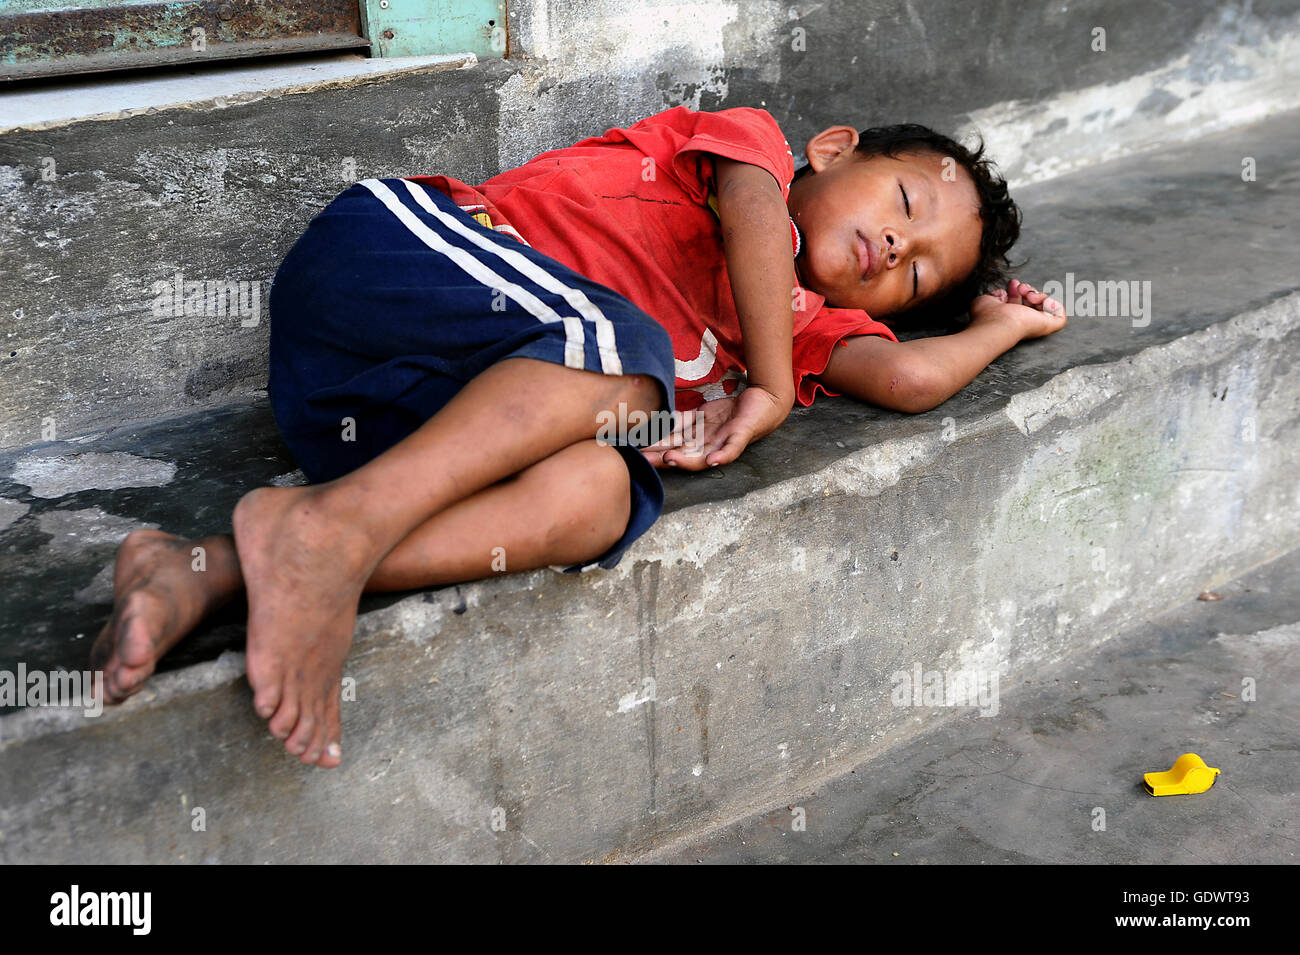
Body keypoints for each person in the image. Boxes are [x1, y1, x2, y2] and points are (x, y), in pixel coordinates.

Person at [89, 105, 1065, 768]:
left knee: (601, 497)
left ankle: (207, 570)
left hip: (398, 418)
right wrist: (766, 384)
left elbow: (902, 375)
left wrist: (997, 325)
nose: (899, 249)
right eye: (904, 207)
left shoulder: (809, 325)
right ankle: (326, 535)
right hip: (393, 263)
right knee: (624, 360)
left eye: (915, 278)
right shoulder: (744, 151)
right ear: (833, 147)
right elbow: (754, 211)